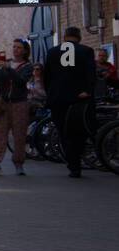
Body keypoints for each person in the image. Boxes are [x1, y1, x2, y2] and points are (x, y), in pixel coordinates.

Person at [43, 26, 97, 178]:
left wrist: (51, 93)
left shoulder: (52, 52)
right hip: (79, 99)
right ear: (79, 37)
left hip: (58, 99)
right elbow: (91, 74)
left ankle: (73, 165)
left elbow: (47, 77)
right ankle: (77, 161)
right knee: (80, 131)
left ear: (65, 36)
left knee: (63, 132)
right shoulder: (86, 51)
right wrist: (87, 90)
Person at [0, 39, 33, 176]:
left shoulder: (28, 66)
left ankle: (19, 163)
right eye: (14, 47)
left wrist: (8, 69)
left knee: (19, 135)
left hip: (19, 103)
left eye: (18, 47)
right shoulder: (6, 63)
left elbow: (21, 81)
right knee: (0, 134)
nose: (15, 49)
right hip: (3, 103)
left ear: (24, 50)